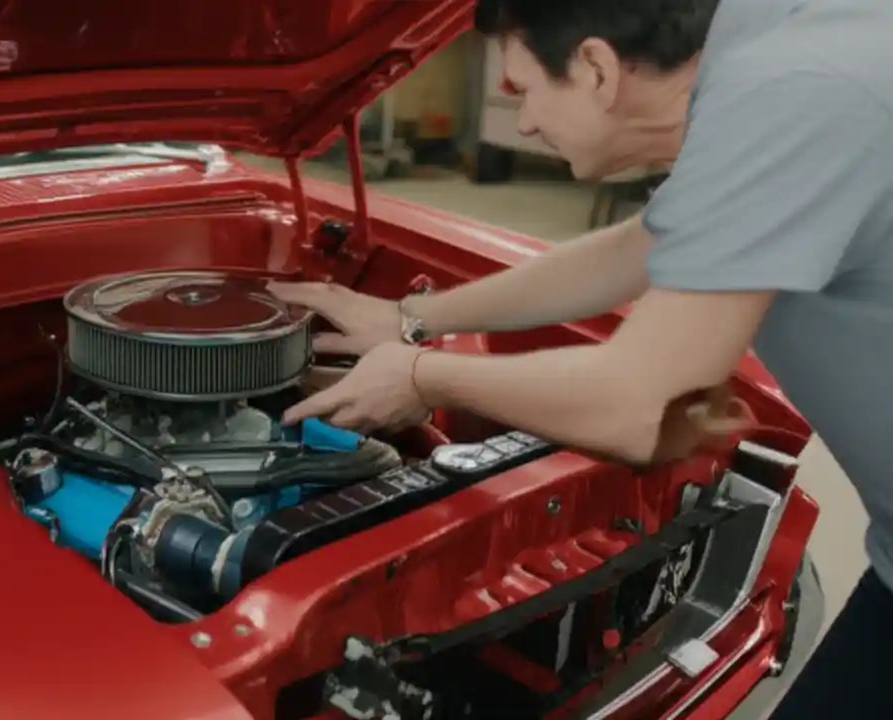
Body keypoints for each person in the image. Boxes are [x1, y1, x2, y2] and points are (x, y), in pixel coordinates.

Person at [268, 0, 893, 716]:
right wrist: (410, 319)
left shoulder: (792, 95)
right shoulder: (775, 45)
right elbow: (643, 249)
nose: (526, 122)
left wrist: (420, 377)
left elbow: (641, 406)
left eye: (523, 90)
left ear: (596, 67)